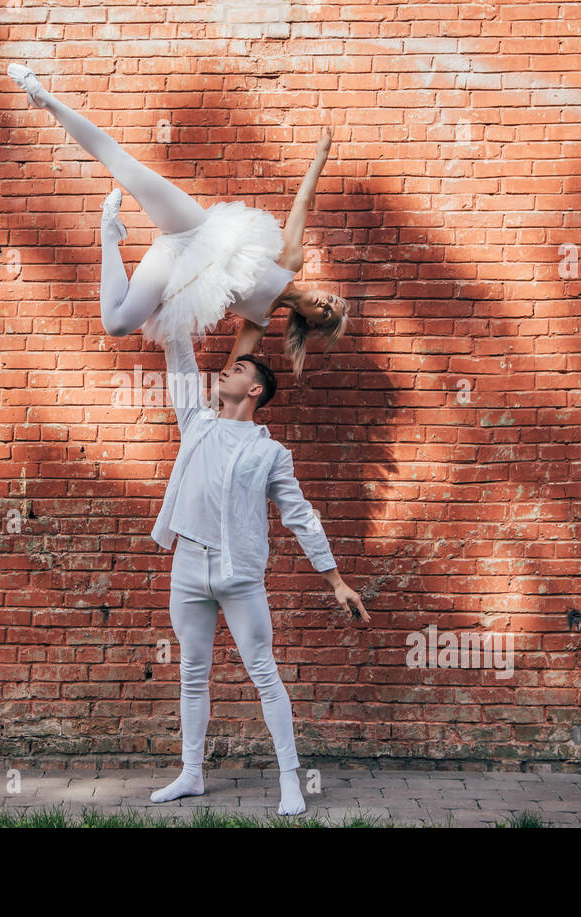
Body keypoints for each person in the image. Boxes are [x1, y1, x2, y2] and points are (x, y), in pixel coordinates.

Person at [144, 328, 371, 815]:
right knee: (192, 673)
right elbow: (180, 362)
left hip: (240, 575)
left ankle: (291, 780)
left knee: (264, 673)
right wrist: (178, 303)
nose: (225, 370)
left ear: (254, 392)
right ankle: (190, 774)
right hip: (187, 566)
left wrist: (334, 580)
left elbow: (300, 515)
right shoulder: (196, 423)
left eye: (238, 369)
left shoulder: (270, 453)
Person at [6, 63, 349, 378]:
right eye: (332, 301)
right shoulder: (291, 262)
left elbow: (232, 369)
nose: (325, 305)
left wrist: (216, 413)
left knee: (118, 323)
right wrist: (320, 156)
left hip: (174, 269)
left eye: (327, 314)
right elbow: (301, 205)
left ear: (311, 322)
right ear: (324, 293)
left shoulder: (258, 321)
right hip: (195, 229)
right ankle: (44, 98)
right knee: (127, 168)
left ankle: (109, 234)